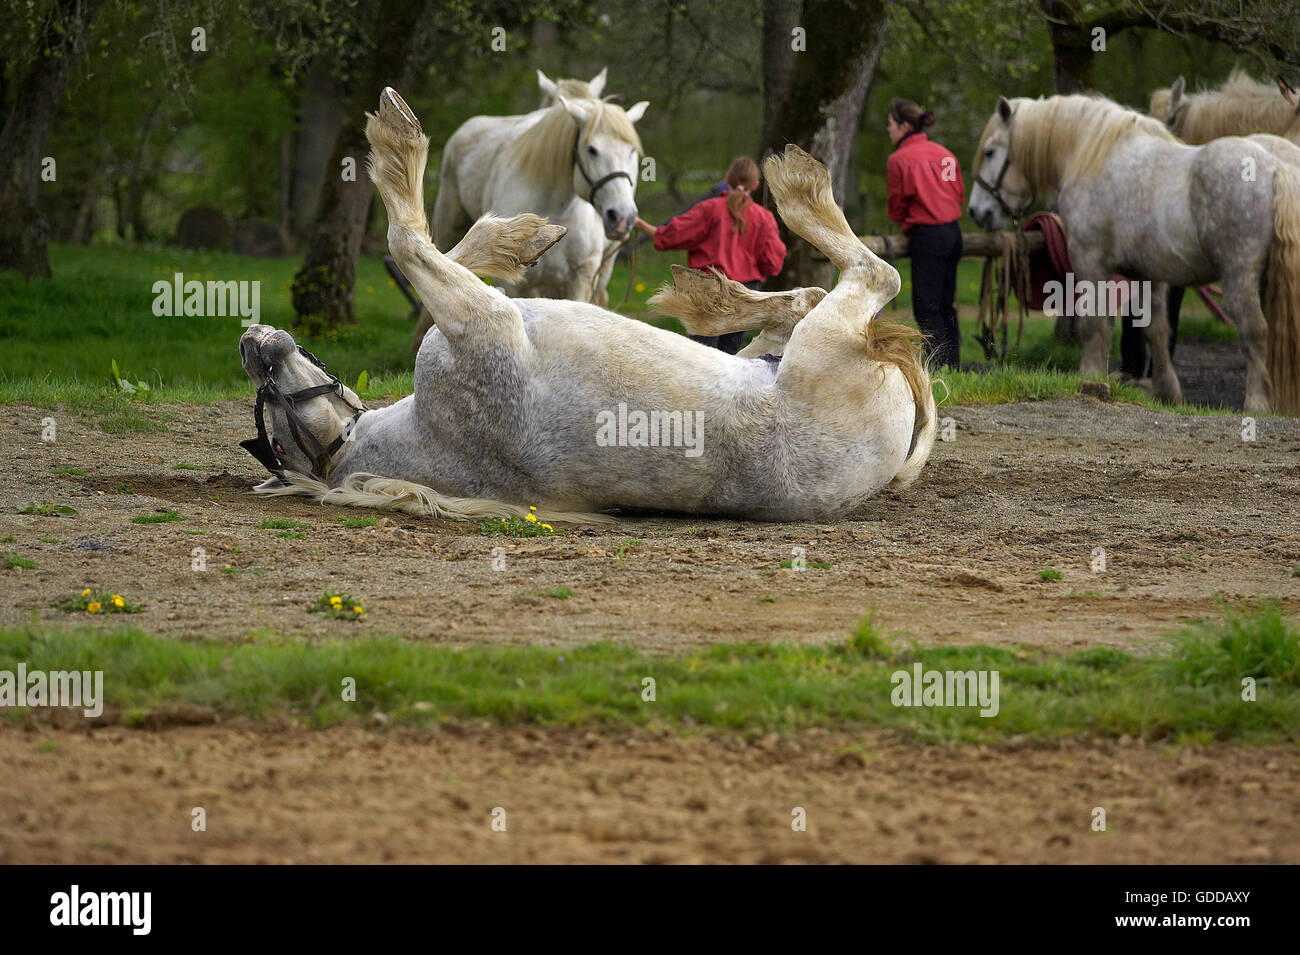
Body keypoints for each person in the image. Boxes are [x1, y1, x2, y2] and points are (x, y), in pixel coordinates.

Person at [633, 157, 786, 354]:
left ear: (727, 178)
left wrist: (640, 225)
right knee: (730, 358)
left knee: (702, 356)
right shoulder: (764, 218)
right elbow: (773, 264)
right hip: (744, 295)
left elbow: (670, 236)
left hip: (707, 290)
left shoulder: (708, 210)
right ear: (755, 185)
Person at [886, 98, 965, 368]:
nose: (888, 130)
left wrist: (907, 220)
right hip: (954, 234)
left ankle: (936, 368)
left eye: (890, 124)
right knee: (946, 303)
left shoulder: (899, 160)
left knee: (927, 307)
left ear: (904, 125)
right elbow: (959, 193)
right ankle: (953, 366)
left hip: (927, 237)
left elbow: (896, 207)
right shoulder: (946, 154)